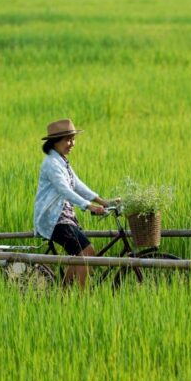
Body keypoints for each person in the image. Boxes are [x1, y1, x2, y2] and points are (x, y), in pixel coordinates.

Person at [33, 118, 112, 289]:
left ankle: (64, 293)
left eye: (73, 139)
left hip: (64, 216)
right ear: (55, 142)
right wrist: (88, 206)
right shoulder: (51, 164)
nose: (72, 143)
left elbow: (77, 184)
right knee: (86, 252)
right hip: (54, 219)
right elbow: (64, 190)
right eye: (68, 140)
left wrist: (102, 201)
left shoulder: (62, 161)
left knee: (81, 254)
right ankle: (82, 297)